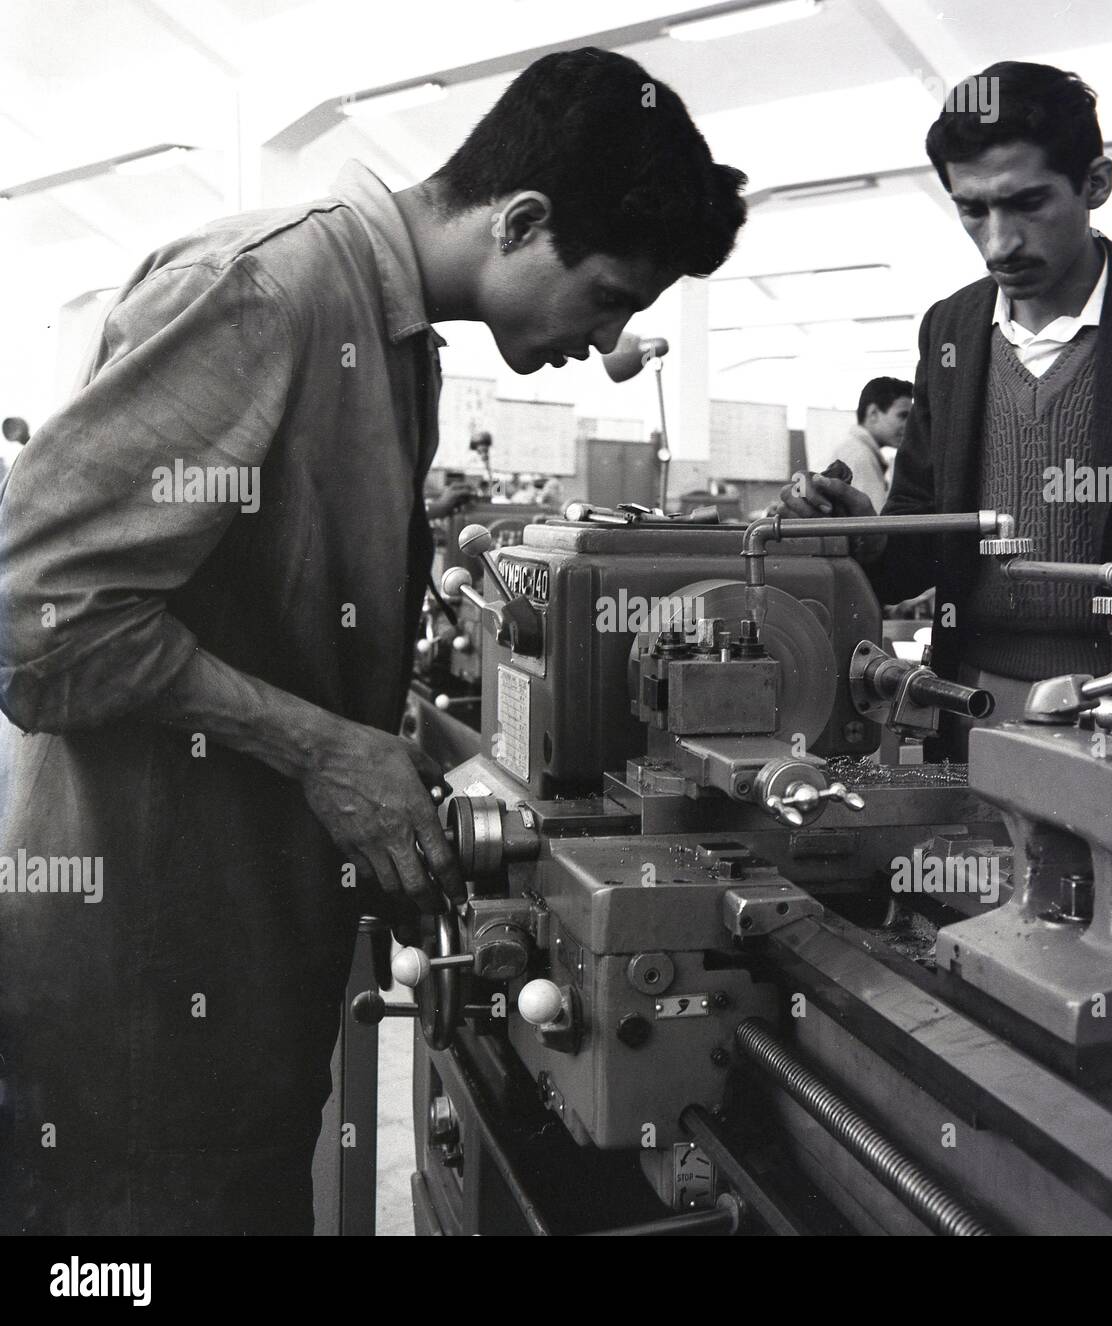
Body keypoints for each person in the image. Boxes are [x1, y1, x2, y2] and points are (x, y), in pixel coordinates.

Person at [0, 46, 746, 1235]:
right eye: (606, 295)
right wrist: (320, 751)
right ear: (522, 218)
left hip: (239, 959)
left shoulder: (390, 335)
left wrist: (370, 743)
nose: (597, 335)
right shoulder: (267, 290)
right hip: (140, 975)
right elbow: (32, 616)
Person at [779, 61, 1112, 884]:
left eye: (1027, 204)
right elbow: (922, 531)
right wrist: (855, 524)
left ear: (1095, 183)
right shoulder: (951, 328)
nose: (1000, 243)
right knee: (981, 943)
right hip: (976, 717)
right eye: (972, 210)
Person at [828, 377, 911, 511]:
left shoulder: (855, 448)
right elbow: (874, 522)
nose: (909, 425)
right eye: (903, 416)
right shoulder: (860, 454)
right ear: (873, 413)